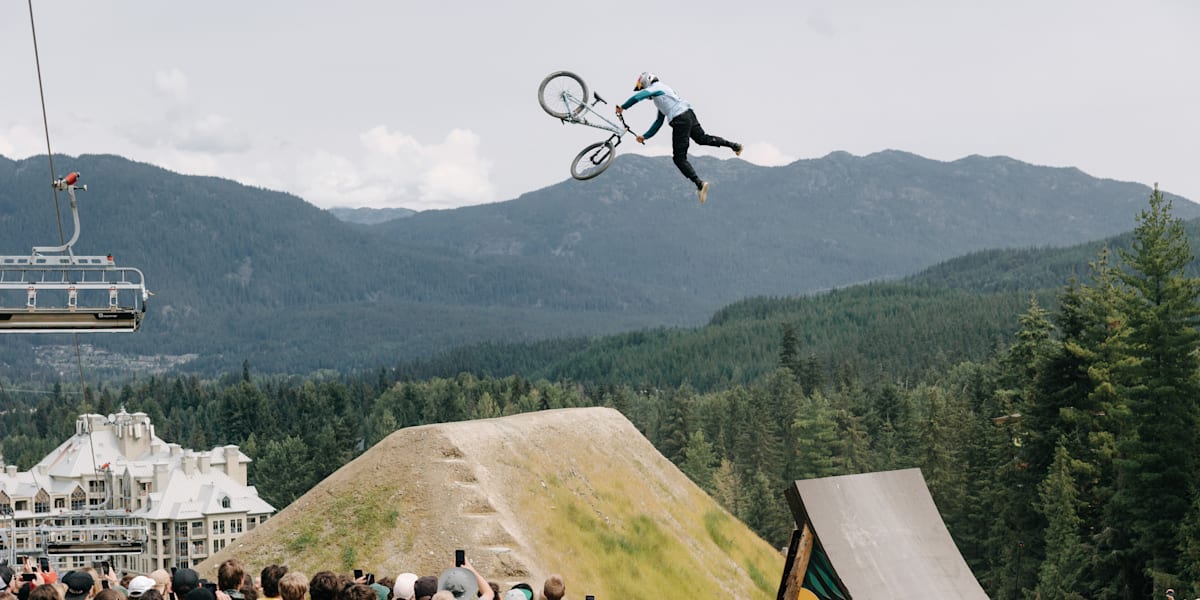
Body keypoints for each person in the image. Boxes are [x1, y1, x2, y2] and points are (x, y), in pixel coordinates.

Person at [616, 72, 742, 204]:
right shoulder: (664, 94)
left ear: (647, 82)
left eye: (643, 87)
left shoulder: (656, 88)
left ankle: (699, 184)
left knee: (679, 158)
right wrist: (645, 136)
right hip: (688, 114)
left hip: (680, 119)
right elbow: (658, 122)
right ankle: (735, 146)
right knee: (702, 138)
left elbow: (639, 96)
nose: (643, 90)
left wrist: (623, 107)